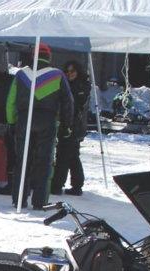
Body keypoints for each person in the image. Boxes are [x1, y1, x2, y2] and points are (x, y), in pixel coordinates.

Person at [6, 43, 74, 210]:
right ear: (48, 57)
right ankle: (40, 201)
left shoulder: (21, 75)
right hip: (47, 120)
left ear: (32, 56)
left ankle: (19, 200)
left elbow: (10, 102)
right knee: (44, 161)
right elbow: (68, 102)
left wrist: (12, 122)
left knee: (23, 161)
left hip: (24, 119)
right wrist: (67, 126)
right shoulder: (57, 74)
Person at [51, 60, 91, 196]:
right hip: (71, 124)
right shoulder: (71, 84)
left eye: (72, 71)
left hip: (73, 125)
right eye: (67, 71)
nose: (69, 74)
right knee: (73, 156)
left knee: (63, 154)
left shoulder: (81, 86)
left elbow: (74, 105)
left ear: (78, 71)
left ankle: (57, 185)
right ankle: (77, 185)